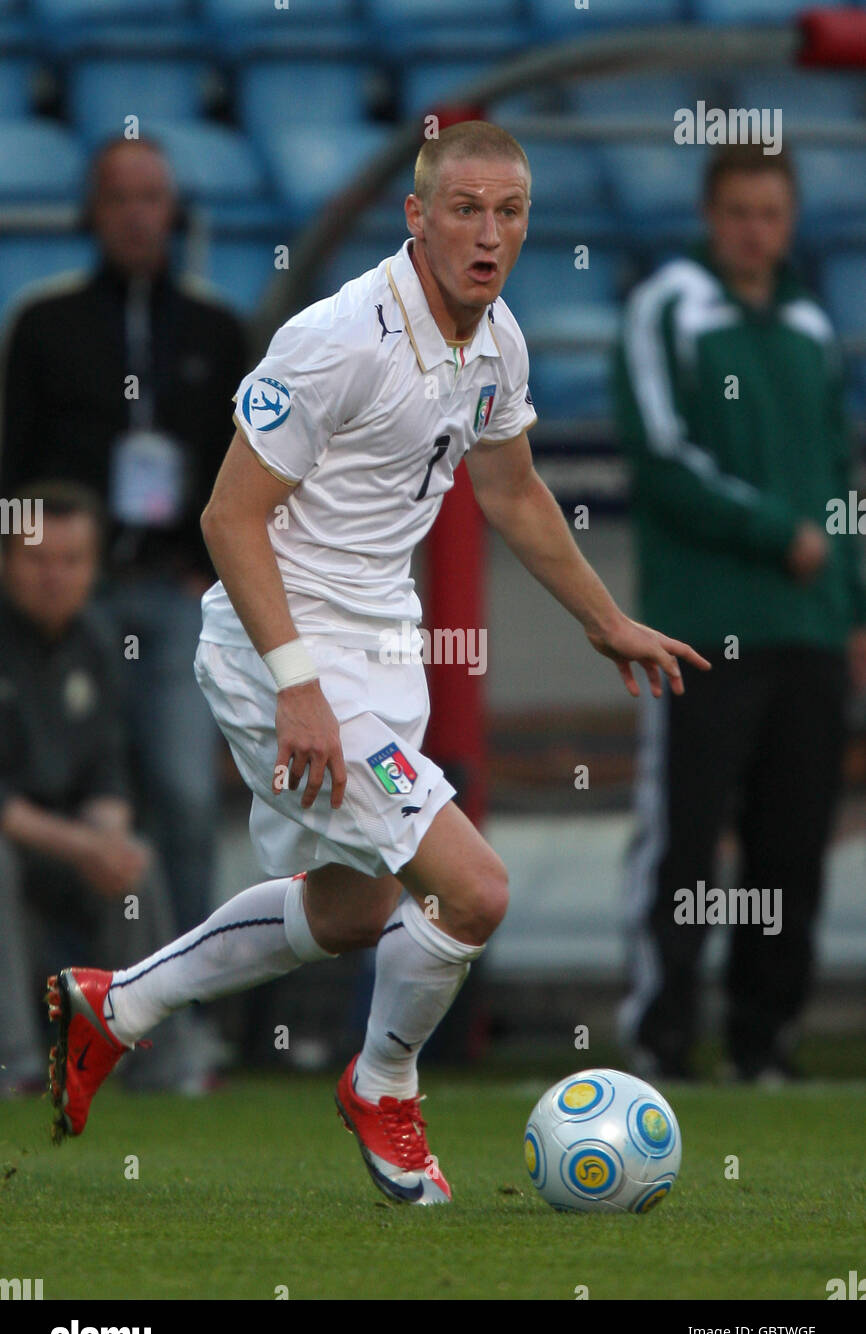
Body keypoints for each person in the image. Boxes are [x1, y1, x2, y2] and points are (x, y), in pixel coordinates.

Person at [46, 121, 709, 1204]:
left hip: (377, 648)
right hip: (283, 647)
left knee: (354, 909)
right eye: (464, 209)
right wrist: (297, 681)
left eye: (509, 213)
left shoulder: (498, 341)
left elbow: (510, 490)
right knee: (473, 889)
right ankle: (383, 1082)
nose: (487, 234)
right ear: (416, 216)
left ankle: (115, 1005)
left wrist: (604, 618)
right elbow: (226, 516)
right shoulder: (337, 337)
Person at [614, 143, 866, 1084]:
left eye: (771, 212)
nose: (756, 230)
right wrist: (777, 532)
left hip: (809, 630)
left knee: (791, 846)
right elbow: (660, 458)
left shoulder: (806, 320)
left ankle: (767, 1042)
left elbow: (836, 478)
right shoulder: (668, 306)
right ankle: (661, 1037)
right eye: (739, 212)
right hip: (699, 626)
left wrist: (853, 605)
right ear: (710, 215)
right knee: (682, 838)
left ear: (791, 220)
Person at [0, 136, 248, 939]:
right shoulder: (45, 324)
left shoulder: (216, 329)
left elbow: (247, 471)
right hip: (70, 599)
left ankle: (186, 1008)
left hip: (178, 596)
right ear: (91, 211)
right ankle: (65, 1000)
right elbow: (13, 463)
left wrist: (209, 573)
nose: (138, 215)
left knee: (181, 791)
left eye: (151, 197)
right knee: (68, 787)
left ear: (174, 211)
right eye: (119, 197)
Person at [0, 483, 219, 1095]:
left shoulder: (96, 641)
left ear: (95, 568)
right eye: (38, 559)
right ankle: (13, 1066)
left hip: (63, 846)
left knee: (138, 863)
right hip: (17, 844)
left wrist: (110, 837)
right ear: (6, 560)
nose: (55, 576)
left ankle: (163, 1064)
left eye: (71, 561)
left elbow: (107, 770)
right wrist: (84, 845)